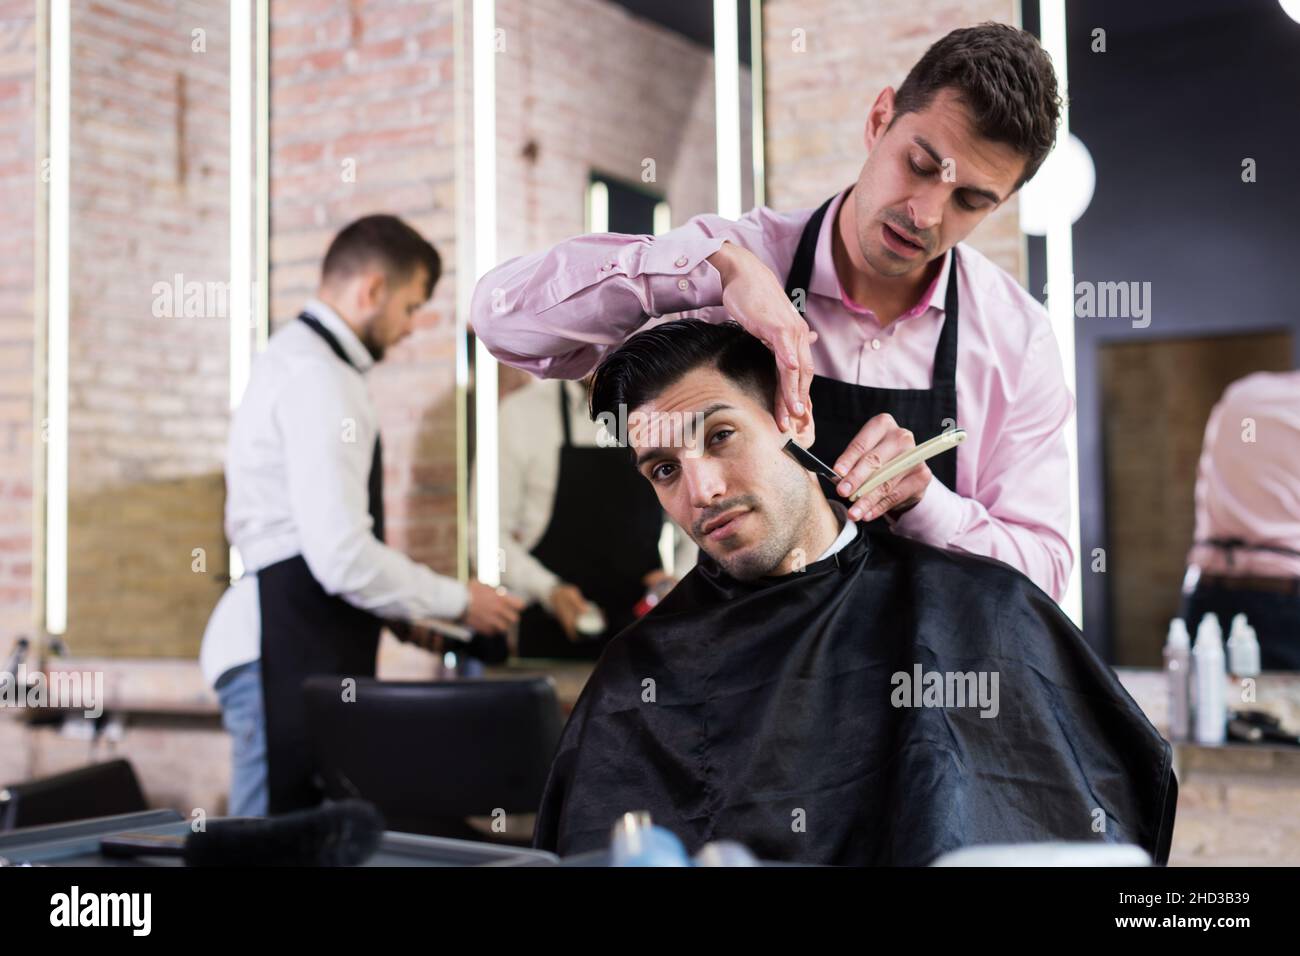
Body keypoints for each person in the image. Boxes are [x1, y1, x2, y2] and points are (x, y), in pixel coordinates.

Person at [533, 320, 1175, 866]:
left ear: (795, 417)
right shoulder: (638, 673)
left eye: (720, 435)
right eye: (665, 470)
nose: (700, 491)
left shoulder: (981, 608)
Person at [472, 22, 1074, 600]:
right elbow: (503, 319)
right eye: (918, 165)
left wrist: (927, 503)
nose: (926, 213)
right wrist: (715, 272)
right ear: (878, 119)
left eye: (969, 200)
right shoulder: (733, 261)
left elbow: (1044, 577)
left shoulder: (1014, 338)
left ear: (1003, 204)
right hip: (755, 682)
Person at [200, 214, 523, 816]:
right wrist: (459, 601)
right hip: (274, 645)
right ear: (371, 290)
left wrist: (402, 614)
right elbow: (340, 555)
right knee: (270, 855)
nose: (409, 329)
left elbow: (320, 548)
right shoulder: (320, 375)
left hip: (288, 632)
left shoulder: (296, 359)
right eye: (410, 306)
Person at [490, 376, 695, 659]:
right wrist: (548, 590)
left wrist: (677, 583)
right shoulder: (521, 414)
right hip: (550, 639)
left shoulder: (665, 411)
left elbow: (694, 522)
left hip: (644, 634)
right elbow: (490, 538)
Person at [1182, 370, 1300, 670]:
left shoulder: (1243, 394)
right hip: (1286, 604)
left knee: (1202, 709)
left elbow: (1205, 480)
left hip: (1209, 593)